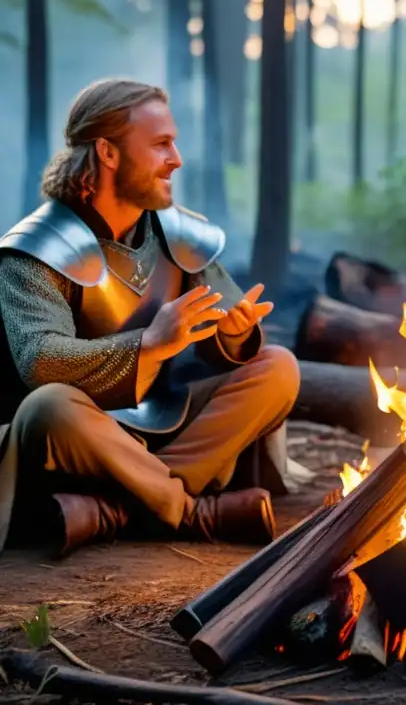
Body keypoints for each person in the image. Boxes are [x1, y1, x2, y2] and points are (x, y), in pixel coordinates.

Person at [0, 79, 301, 557]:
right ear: (108, 152)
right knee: (47, 405)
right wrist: (150, 344)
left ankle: (118, 509)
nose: (176, 158)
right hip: (87, 434)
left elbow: (224, 327)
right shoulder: (35, 250)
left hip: (169, 420)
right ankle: (191, 511)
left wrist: (233, 335)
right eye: (161, 144)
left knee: (277, 366)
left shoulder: (178, 232)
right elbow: (38, 361)